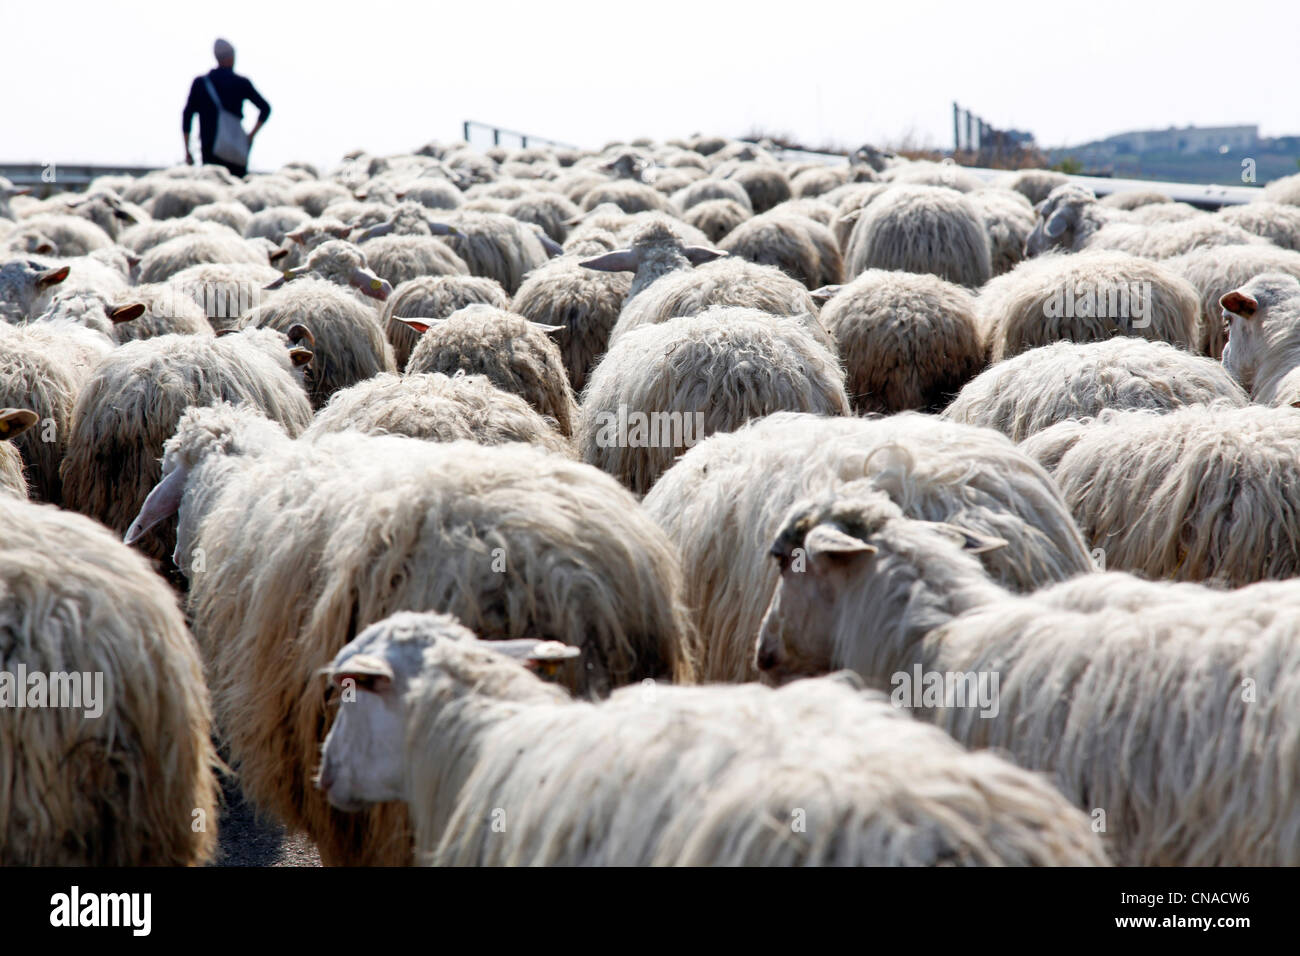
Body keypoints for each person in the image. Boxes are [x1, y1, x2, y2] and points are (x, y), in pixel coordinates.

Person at [182, 38, 271, 177]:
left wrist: (187, 150)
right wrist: (250, 136)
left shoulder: (201, 83)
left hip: (210, 151)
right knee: (236, 190)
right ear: (231, 57)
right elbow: (265, 108)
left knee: (211, 190)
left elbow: (187, 116)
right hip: (236, 150)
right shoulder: (241, 83)